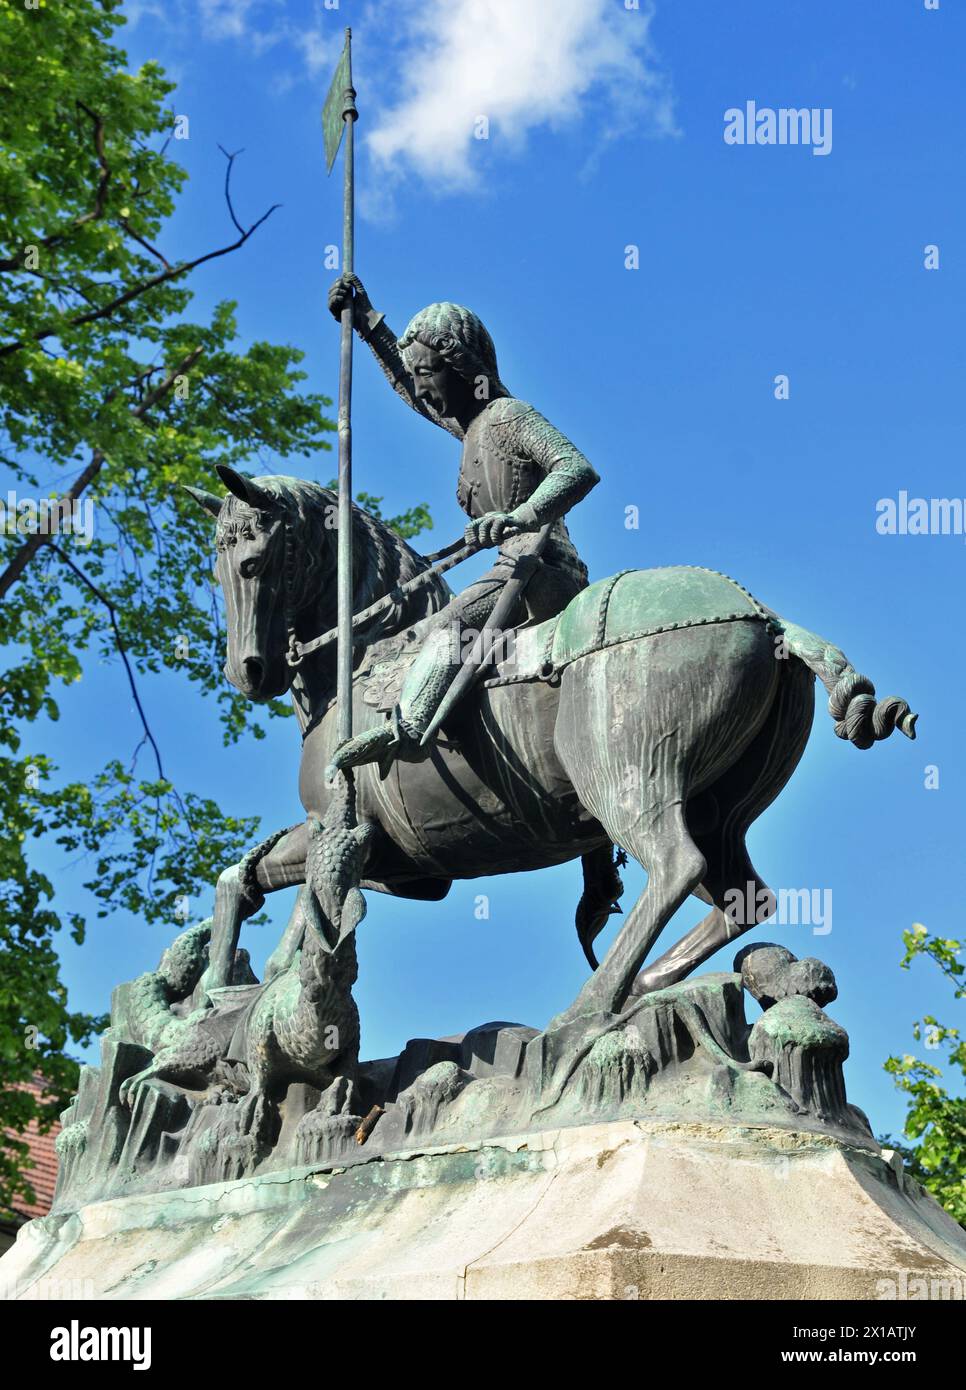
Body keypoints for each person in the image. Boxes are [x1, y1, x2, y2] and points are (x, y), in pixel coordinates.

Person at [325, 272, 600, 778]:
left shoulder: (507, 415)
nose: (423, 387)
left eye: (429, 372)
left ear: (462, 367)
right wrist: (367, 324)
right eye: (418, 374)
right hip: (515, 568)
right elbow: (409, 391)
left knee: (448, 628)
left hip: (541, 567)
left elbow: (576, 468)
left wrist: (518, 516)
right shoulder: (473, 427)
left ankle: (408, 735)